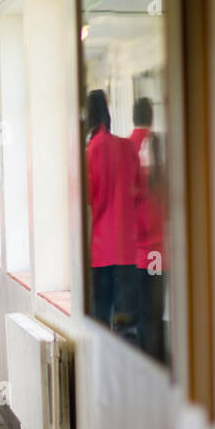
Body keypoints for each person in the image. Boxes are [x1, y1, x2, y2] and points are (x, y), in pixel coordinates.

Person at [85, 89, 139, 332]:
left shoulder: (89, 152)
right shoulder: (127, 147)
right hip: (128, 250)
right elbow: (138, 191)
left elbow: (88, 198)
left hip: (100, 252)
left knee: (101, 324)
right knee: (126, 327)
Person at [130, 97, 167, 362]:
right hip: (159, 252)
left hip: (134, 253)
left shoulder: (125, 149)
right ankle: (155, 363)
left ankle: (142, 365)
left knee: (139, 313)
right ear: (152, 116)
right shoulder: (160, 149)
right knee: (155, 312)